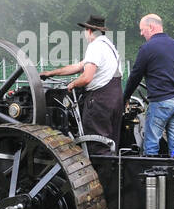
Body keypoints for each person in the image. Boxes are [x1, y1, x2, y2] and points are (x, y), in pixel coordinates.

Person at [41, 14, 124, 147]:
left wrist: (73, 84)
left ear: (89, 31)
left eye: (85, 30)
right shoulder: (109, 46)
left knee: (96, 144)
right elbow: (79, 66)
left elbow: (86, 77)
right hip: (116, 98)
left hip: (100, 101)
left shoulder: (95, 46)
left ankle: (97, 167)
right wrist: (50, 73)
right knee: (111, 142)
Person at [122, 13, 174, 156]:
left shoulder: (147, 48)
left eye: (142, 29)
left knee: (152, 142)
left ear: (151, 27)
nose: (141, 33)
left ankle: (150, 173)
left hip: (160, 101)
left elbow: (135, 76)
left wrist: (125, 97)